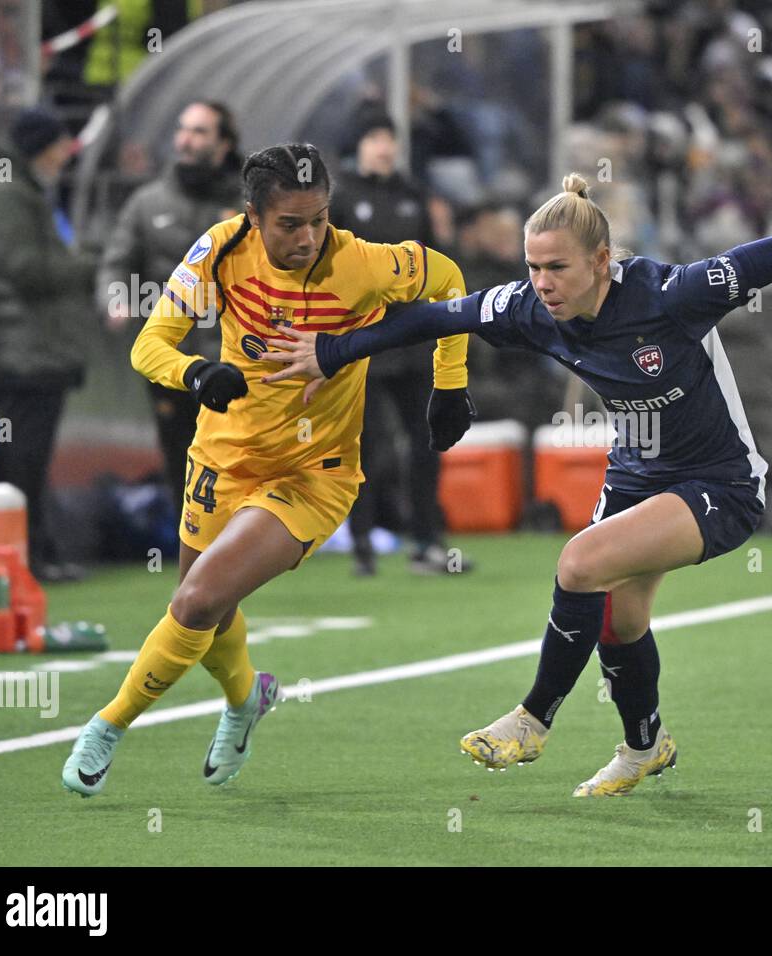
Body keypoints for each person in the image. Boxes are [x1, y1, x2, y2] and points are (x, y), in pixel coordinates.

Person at [261, 174, 772, 796]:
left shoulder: (675, 295)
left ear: (602, 261)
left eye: (557, 267)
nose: (543, 282)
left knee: (579, 563)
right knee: (619, 620)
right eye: (533, 267)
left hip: (721, 483)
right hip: (635, 475)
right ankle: (644, 747)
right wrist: (331, 350)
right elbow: (436, 316)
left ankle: (532, 718)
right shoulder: (529, 308)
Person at [60, 144, 475, 797]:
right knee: (213, 609)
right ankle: (246, 699)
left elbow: (450, 280)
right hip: (223, 457)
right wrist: (197, 373)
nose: (309, 236)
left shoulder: (365, 264)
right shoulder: (221, 249)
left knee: (194, 600)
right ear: (252, 216)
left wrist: (448, 383)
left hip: (314, 472)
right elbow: (149, 345)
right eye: (290, 223)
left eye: (319, 218)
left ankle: (109, 725)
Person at [327, 109, 467, 576]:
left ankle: (427, 542)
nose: (384, 146)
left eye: (389, 137)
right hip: (360, 340)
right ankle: (362, 544)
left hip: (411, 337)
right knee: (364, 446)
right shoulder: (341, 197)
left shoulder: (413, 195)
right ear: (358, 146)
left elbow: (434, 263)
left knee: (428, 437)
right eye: (374, 137)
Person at [0, 106, 96, 582]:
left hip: (36, 349)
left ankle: (31, 554)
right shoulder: (6, 194)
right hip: (23, 351)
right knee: (20, 457)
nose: (66, 155)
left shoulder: (18, 190)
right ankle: (17, 558)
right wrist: (86, 265)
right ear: (41, 146)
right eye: (62, 144)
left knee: (26, 457)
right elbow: (26, 269)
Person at [97, 100, 243, 504]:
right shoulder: (147, 203)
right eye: (183, 129)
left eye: (200, 131)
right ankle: (192, 558)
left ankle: (240, 553)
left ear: (224, 143)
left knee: (235, 458)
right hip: (172, 358)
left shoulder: (248, 203)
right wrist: (115, 298)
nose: (186, 139)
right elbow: (116, 262)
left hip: (234, 355)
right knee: (180, 457)